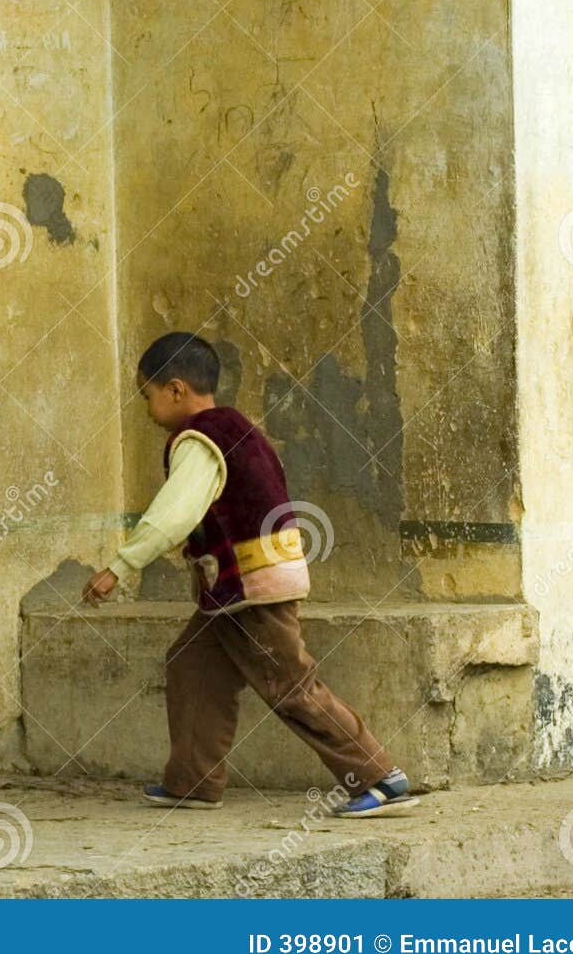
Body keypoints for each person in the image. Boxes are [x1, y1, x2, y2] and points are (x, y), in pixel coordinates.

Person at [82, 332, 417, 818]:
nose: (147, 409)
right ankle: (193, 781)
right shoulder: (237, 428)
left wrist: (119, 567)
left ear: (175, 389)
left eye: (146, 395)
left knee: (291, 687)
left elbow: (173, 514)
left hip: (252, 586)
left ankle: (379, 777)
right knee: (192, 665)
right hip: (237, 588)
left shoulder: (199, 440)